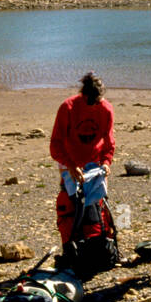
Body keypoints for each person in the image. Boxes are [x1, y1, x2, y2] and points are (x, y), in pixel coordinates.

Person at [50, 72, 115, 248]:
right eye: (90, 101)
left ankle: (99, 243)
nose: (94, 105)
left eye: (98, 101)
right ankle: (73, 245)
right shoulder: (68, 108)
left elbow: (109, 144)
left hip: (94, 165)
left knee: (96, 206)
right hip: (69, 162)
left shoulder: (106, 109)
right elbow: (55, 145)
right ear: (83, 94)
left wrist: (106, 163)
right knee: (71, 205)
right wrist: (71, 166)